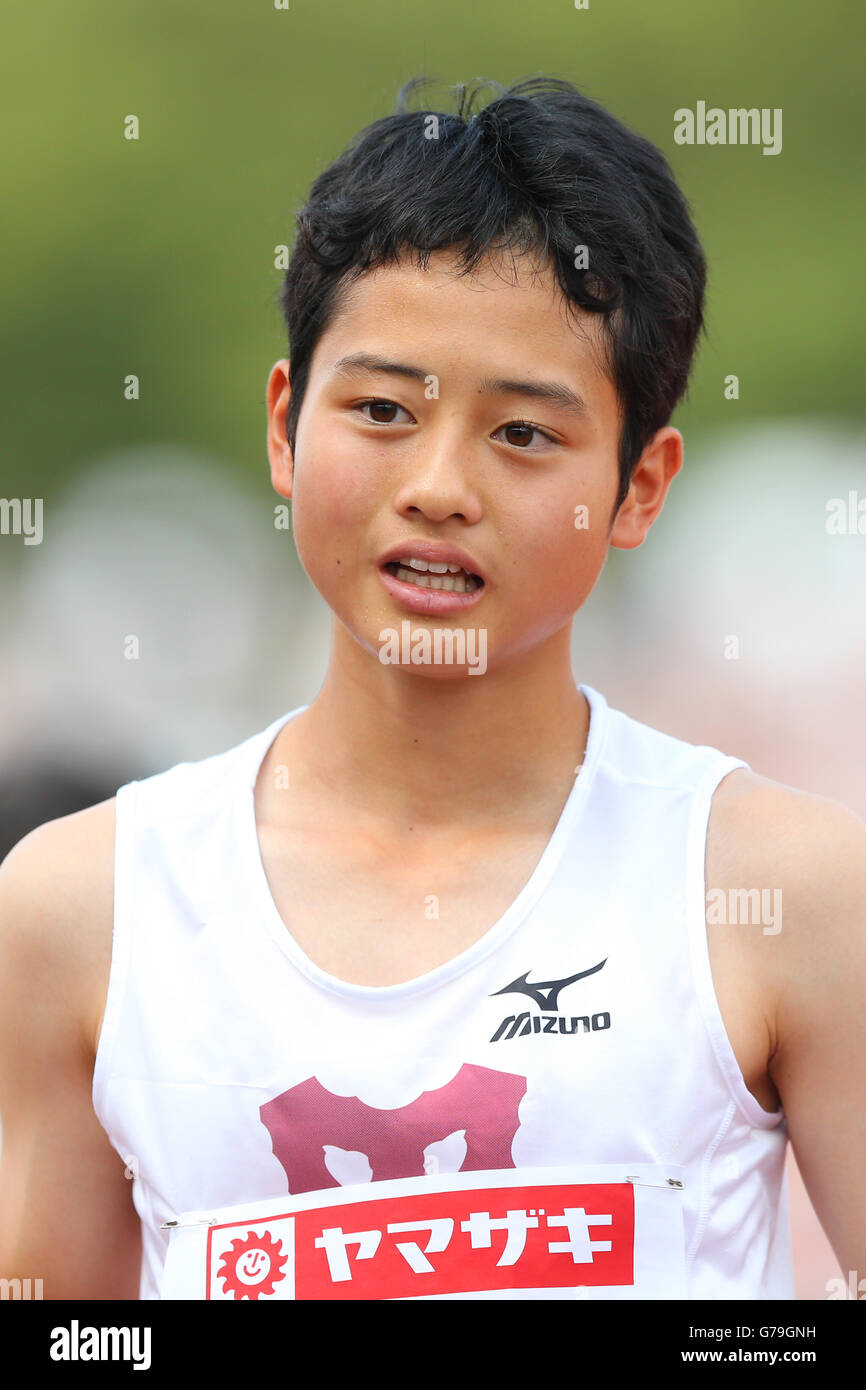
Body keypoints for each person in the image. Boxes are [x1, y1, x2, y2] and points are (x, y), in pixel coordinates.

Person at [0, 75, 863, 1302]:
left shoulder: (784, 894)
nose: (439, 484)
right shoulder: (85, 908)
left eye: (522, 435)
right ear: (285, 426)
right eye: (381, 410)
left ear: (638, 486)